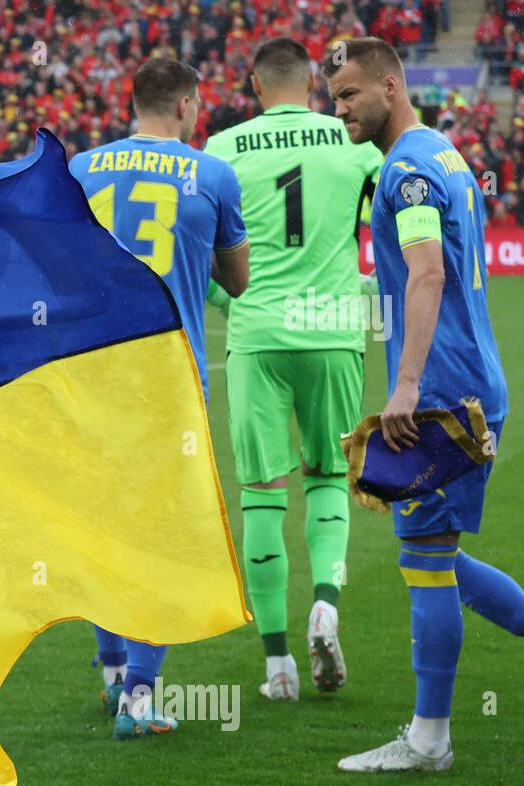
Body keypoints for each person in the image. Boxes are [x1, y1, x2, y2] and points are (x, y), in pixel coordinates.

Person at [324, 37, 524, 771]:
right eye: (334, 98)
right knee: (437, 552)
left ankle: (429, 739)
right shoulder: (442, 152)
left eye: (352, 93)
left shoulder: (409, 168)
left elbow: (426, 273)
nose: (342, 108)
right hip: (477, 379)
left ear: (391, 84)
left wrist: (408, 384)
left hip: (444, 392)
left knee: (422, 556)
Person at [69, 58, 249, 738]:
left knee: (105, 525)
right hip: (169, 376)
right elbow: (239, 281)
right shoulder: (212, 175)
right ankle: (140, 694)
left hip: (94, 371)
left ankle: (113, 671)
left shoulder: (82, 170)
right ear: (185, 105)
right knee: (166, 535)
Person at [205, 38, 384, 701]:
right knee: (329, 474)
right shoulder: (353, 142)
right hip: (333, 331)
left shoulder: (220, 151)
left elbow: (196, 255)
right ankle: (327, 605)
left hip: (257, 334)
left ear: (254, 86)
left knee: (260, 488)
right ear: (314, 82)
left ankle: (277, 664)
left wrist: (232, 302)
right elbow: (391, 219)